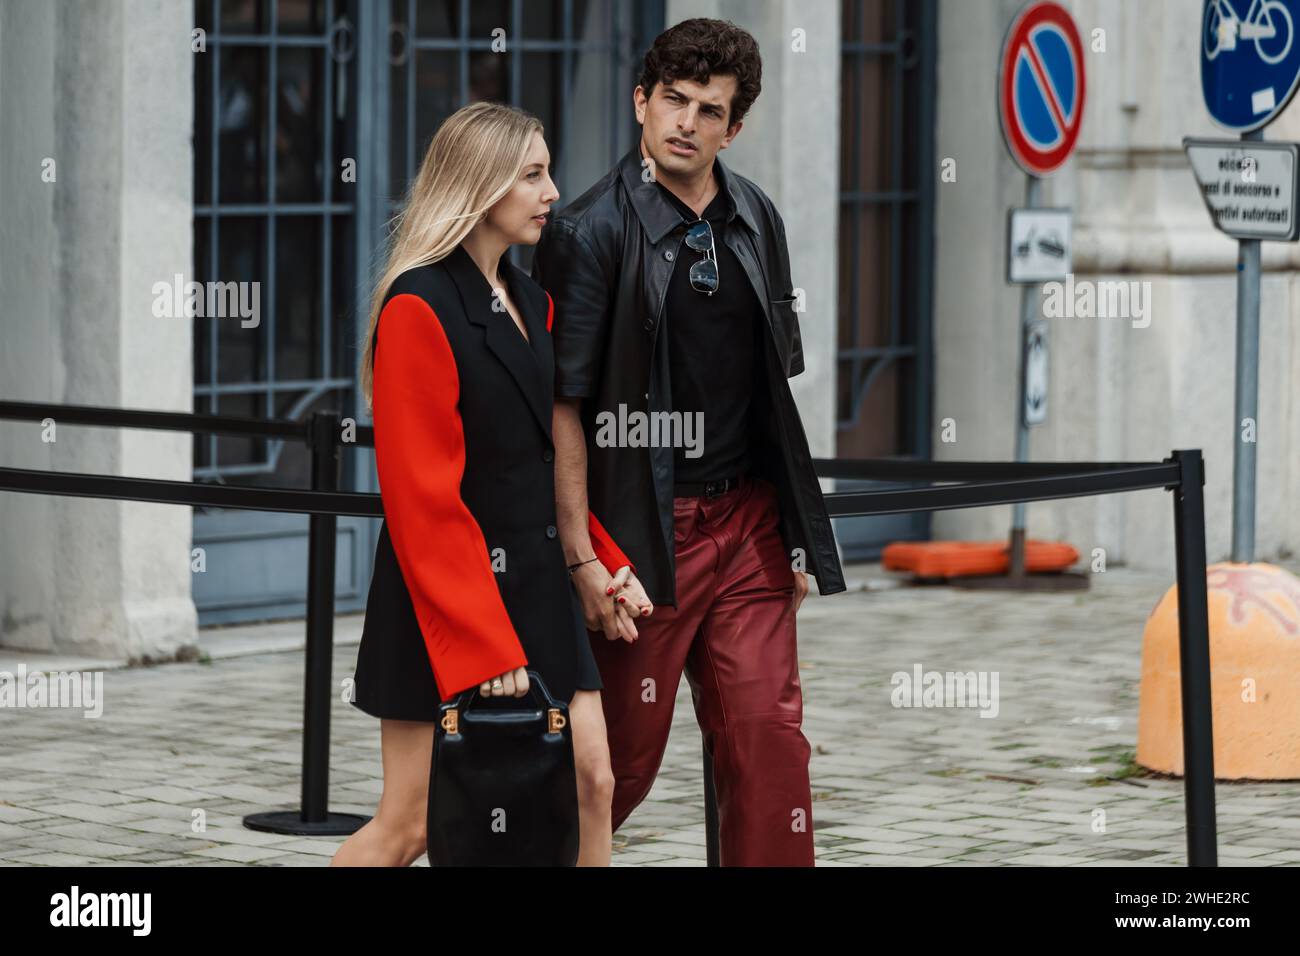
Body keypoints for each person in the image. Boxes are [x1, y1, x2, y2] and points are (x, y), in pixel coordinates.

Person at [532, 18, 846, 866]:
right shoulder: (588, 230)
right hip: (641, 530)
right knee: (617, 766)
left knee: (769, 743)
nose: (686, 123)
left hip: (747, 524)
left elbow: (770, 388)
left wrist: (790, 532)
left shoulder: (758, 218)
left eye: (710, 110)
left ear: (733, 127)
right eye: (672, 100)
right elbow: (565, 405)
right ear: (642, 100)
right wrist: (580, 556)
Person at [331, 102, 650, 867]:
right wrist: (481, 643)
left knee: (593, 786)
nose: (552, 192)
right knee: (409, 826)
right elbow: (423, 499)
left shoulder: (528, 298)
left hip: (539, 587)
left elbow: (535, 463)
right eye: (532, 175)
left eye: (547, 173)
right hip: (444, 606)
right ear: (479, 186)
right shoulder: (418, 306)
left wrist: (599, 559)